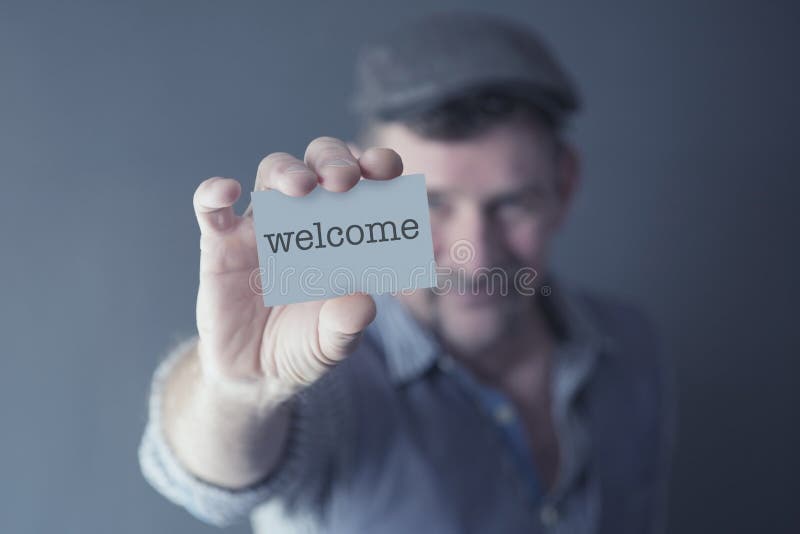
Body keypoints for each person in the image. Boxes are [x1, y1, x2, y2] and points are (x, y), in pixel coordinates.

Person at [138, 11, 675, 534]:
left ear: (566, 186)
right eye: (432, 205)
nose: (476, 255)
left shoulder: (631, 348)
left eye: (513, 204)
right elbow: (208, 477)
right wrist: (237, 390)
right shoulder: (327, 384)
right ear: (361, 197)